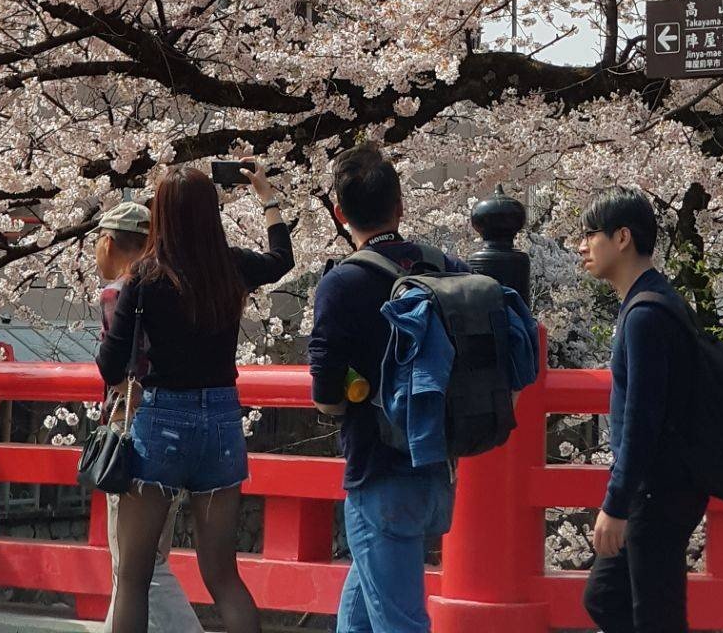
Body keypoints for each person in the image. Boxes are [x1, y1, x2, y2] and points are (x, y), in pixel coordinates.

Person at [98, 163, 292, 633]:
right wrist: (266, 196)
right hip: (223, 421)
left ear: (160, 214)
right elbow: (282, 258)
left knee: (133, 578)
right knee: (223, 575)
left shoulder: (144, 278)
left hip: (161, 419)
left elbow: (109, 364)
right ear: (212, 214)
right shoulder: (232, 267)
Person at [307, 145, 466, 633]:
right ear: (400, 205)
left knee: (400, 623)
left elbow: (325, 389)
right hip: (438, 466)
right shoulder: (447, 268)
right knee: (361, 606)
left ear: (340, 213)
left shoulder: (342, 283)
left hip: (380, 471)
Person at [576, 189, 706, 633]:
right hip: (661, 484)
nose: (582, 246)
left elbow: (641, 419)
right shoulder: (651, 301)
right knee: (607, 598)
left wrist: (616, 504)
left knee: (654, 615)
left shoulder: (646, 315)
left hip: (659, 489)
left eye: (590, 234)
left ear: (623, 238)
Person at [93, 200, 201, 633]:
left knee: (138, 566)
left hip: (134, 432)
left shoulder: (120, 292)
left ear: (108, 242)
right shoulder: (179, 286)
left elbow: (117, 370)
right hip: (179, 427)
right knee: (145, 559)